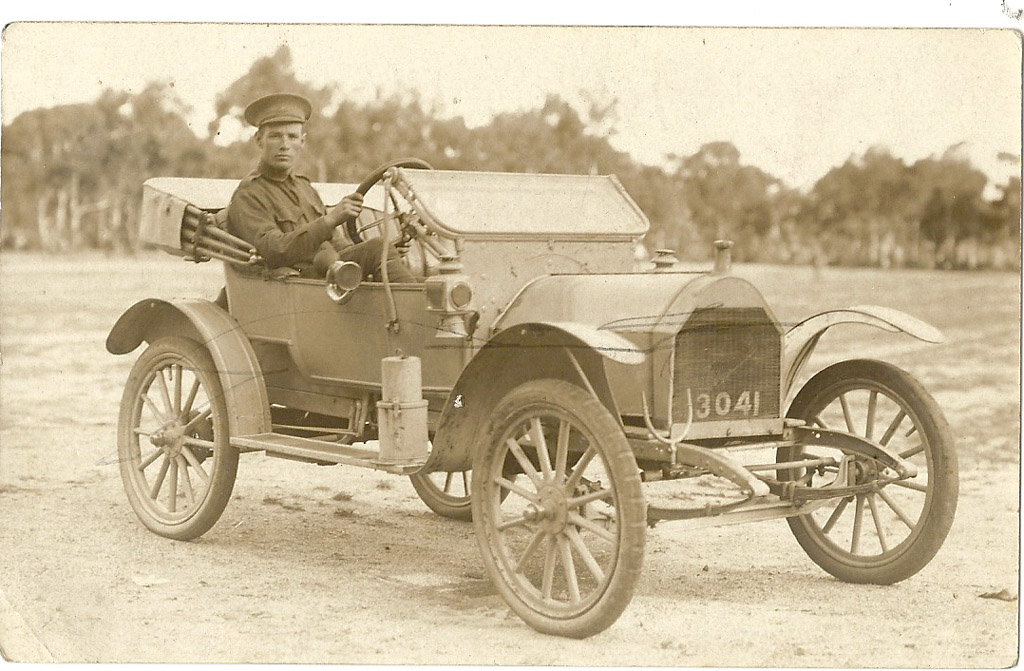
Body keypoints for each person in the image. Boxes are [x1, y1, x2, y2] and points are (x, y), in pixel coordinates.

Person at [226, 92, 414, 281]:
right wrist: (330, 219)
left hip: (328, 275)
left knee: (407, 269)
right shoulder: (248, 194)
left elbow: (337, 246)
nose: (284, 145)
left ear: (302, 141)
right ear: (259, 139)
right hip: (293, 284)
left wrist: (388, 254)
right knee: (378, 250)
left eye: (292, 136)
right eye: (275, 136)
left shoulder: (305, 187)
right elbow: (273, 250)